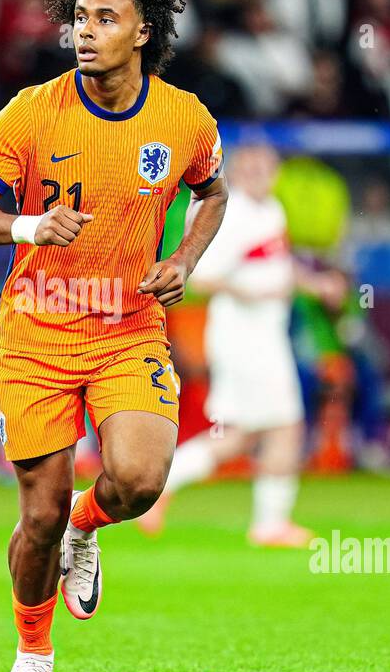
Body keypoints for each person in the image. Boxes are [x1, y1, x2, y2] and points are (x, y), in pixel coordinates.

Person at [0, 0, 228, 672]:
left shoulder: (183, 120)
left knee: (137, 478)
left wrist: (187, 260)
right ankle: (33, 656)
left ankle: (88, 524)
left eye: (106, 18)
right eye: (78, 17)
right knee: (34, 521)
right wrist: (31, 227)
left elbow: (214, 193)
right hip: (36, 334)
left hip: (128, 328)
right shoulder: (33, 112)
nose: (86, 31)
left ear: (143, 32)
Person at [139, 142, 346, 545]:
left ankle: (167, 485)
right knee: (284, 425)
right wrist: (253, 294)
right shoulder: (231, 216)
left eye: (266, 167)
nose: (259, 175)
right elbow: (200, 278)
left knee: (246, 433)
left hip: (266, 336)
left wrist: (316, 284)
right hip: (243, 337)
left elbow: (278, 266)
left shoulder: (271, 211)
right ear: (235, 171)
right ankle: (269, 523)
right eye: (249, 168)